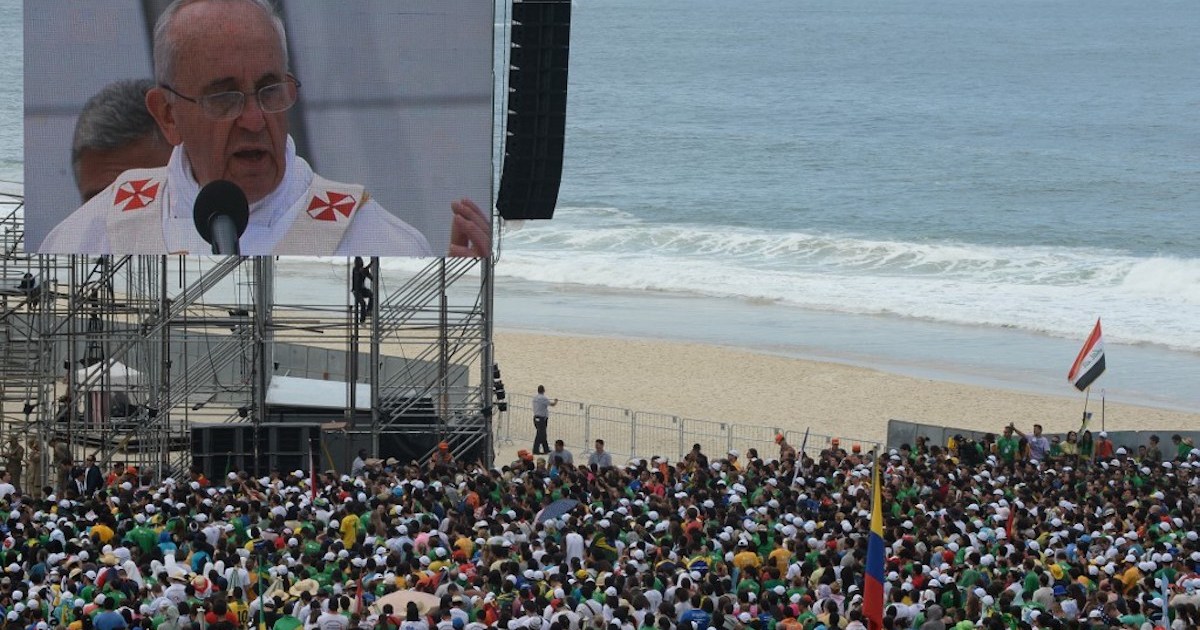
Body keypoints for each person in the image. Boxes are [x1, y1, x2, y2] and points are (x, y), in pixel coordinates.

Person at [40, 0, 490, 257]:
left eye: (270, 90)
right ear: (167, 115)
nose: (255, 120)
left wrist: (455, 305)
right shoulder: (89, 237)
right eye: (224, 97)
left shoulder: (378, 241)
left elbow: (422, 402)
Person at [531, 385, 558, 455]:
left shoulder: (535, 397)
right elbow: (552, 404)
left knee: (542, 434)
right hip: (541, 419)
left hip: (536, 417)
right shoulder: (543, 398)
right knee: (540, 435)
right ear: (544, 390)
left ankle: (546, 448)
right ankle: (535, 450)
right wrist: (555, 401)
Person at [351, 257, 374, 324]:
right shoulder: (355, 269)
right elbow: (362, 271)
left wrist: (371, 277)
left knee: (371, 294)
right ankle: (362, 320)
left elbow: (370, 277)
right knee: (363, 303)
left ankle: (369, 311)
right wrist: (371, 264)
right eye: (358, 262)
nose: (360, 262)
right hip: (356, 290)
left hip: (362, 289)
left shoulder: (364, 270)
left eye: (360, 261)